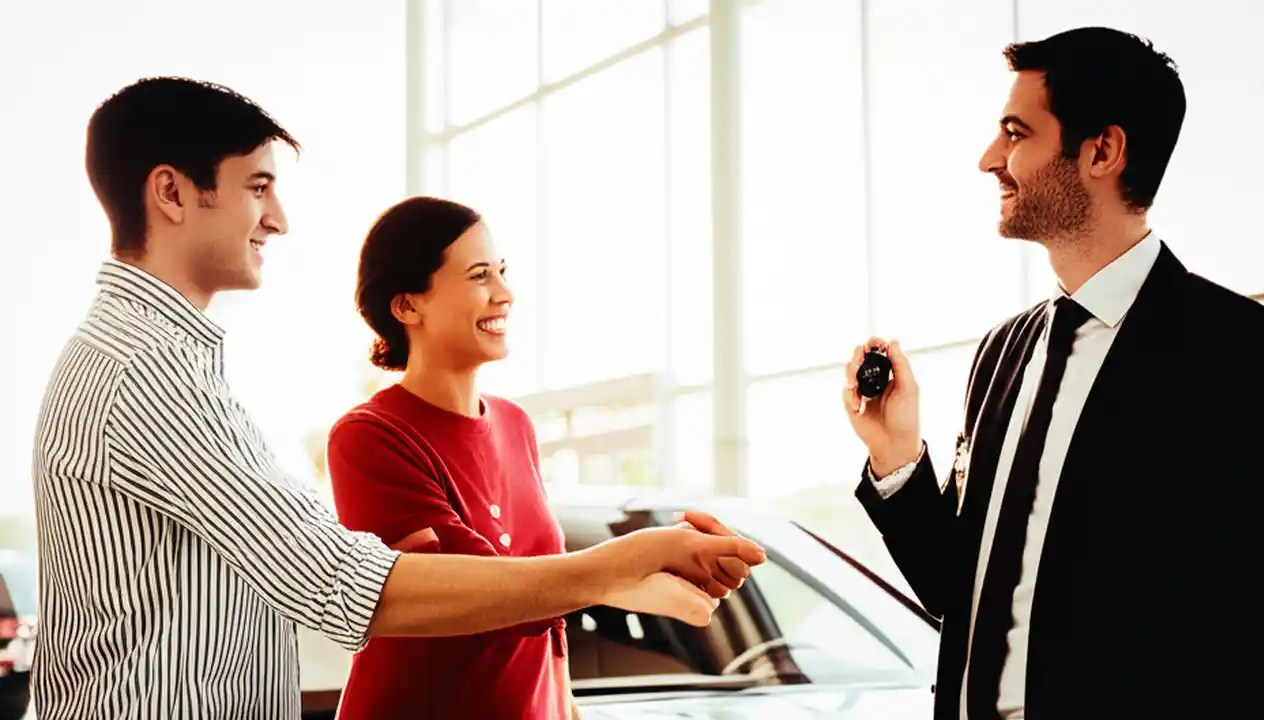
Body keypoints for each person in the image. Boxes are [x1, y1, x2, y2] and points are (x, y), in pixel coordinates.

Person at [30, 77, 766, 720]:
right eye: (258, 187)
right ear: (172, 192)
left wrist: (623, 581)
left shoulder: (165, 361)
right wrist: (615, 567)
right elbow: (340, 585)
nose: (279, 219)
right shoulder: (147, 371)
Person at [843, 27, 1264, 720]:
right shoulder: (1001, 355)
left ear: (1102, 150)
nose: (991, 159)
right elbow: (965, 595)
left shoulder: (1247, 358)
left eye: (1017, 132)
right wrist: (895, 454)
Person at [328, 196, 710, 718]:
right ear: (407, 306)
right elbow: (468, 591)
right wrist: (631, 573)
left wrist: (567, 708)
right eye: (480, 275)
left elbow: (547, 624)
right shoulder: (370, 436)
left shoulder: (515, 424)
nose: (504, 294)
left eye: (502, 271)